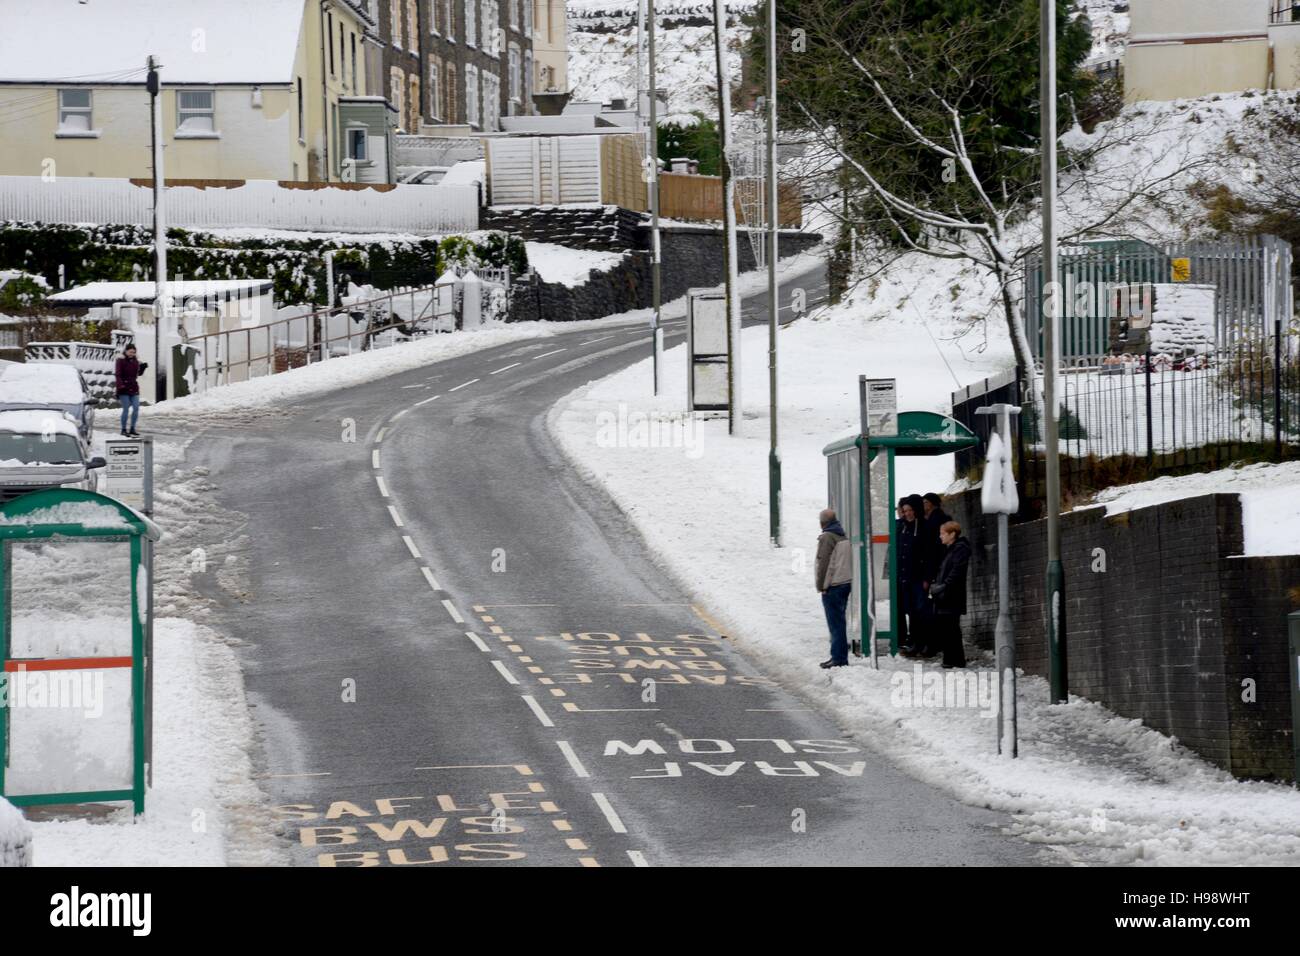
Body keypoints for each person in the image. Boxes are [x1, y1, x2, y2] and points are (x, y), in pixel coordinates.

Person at [929, 520, 971, 669]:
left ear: (952, 534)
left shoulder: (959, 549)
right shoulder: (950, 549)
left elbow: (956, 572)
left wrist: (943, 586)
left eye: (942, 534)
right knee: (947, 627)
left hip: (951, 595)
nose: (940, 536)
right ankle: (951, 658)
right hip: (946, 594)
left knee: (951, 627)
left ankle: (955, 659)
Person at [815, 508, 852, 669]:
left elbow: (823, 563)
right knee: (840, 622)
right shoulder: (842, 535)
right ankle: (840, 655)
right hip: (845, 583)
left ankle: (838, 657)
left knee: (835, 624)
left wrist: (821, 586)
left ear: (822, 523)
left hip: (833, 586)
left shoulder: (827, 537)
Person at [114, 344, 147, 437]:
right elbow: (118, 374)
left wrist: (143, 368)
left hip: (134, 387)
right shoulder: (120, 361)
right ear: (126, 351)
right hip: (123, 388)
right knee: (126, 409)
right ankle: (123, 429)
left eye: (134, 352)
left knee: (136, 408)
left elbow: (138, 374)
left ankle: (132, 428)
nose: (132, 354)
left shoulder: (136, 361)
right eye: (130, 352)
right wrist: (120, 385)